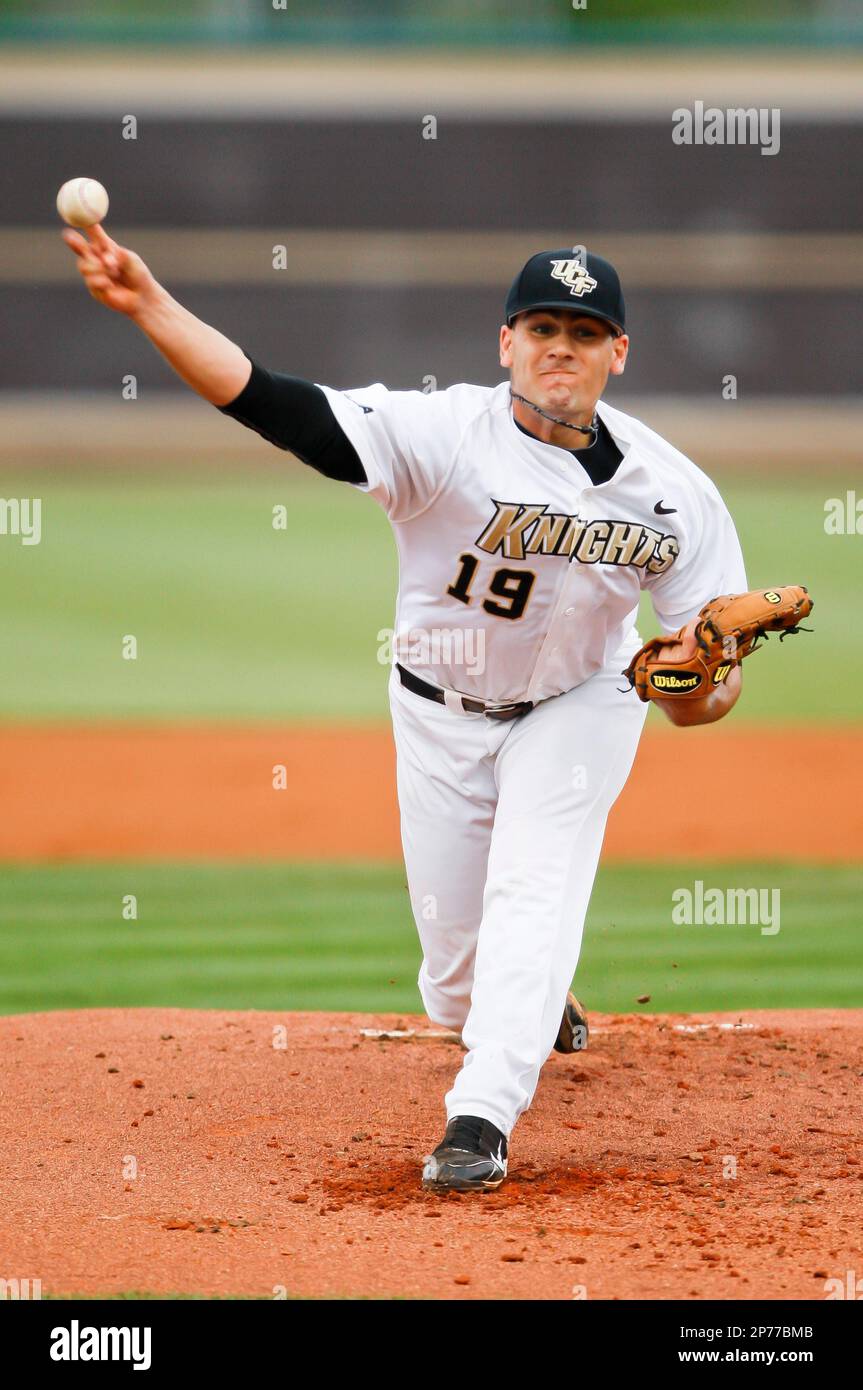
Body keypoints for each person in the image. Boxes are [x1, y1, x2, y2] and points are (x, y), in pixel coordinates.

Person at [63, 229, 746, 1191]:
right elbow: (271, 400)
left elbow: (704, 698)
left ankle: (480, 1120)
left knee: (533, 889)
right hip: (438, 710)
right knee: (455, 979)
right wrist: (149, 307)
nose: (563, 346)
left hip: (583, 703)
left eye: (586, 332)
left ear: (616, 353)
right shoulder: (442, 435)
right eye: (543, 325)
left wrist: (700, 681)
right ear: (504, 341)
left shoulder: (676, 496)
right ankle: (523, 1002)